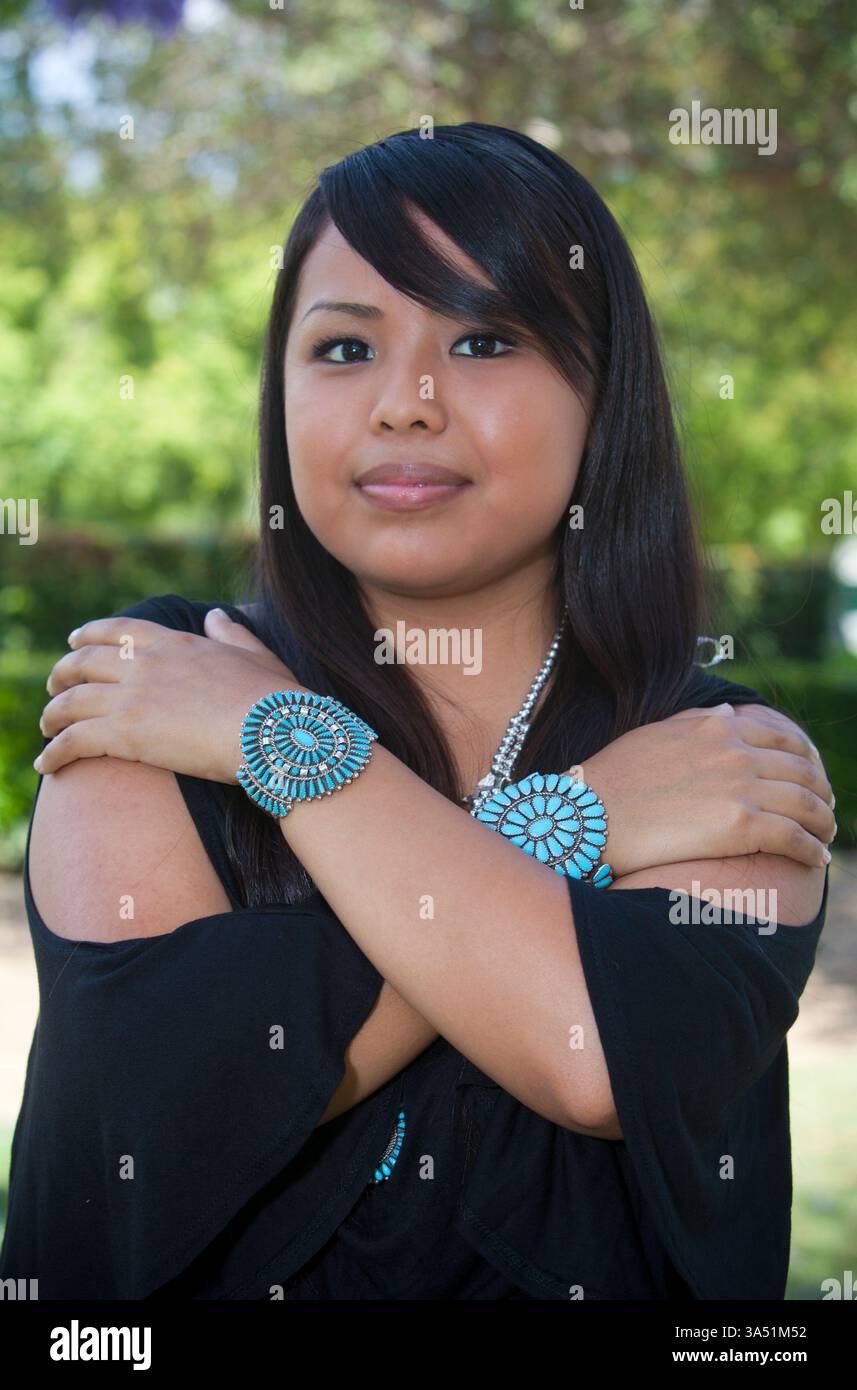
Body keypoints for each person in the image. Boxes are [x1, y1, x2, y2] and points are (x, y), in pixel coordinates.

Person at [0, 123, 836, 1301]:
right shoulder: (159, 682)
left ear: (604, 396)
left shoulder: (719, 757)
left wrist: (272, 745)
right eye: (343, 347)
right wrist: (578, 816)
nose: (404, 403)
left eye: (483, 338)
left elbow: (587, 1051)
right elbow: (167, 1103)